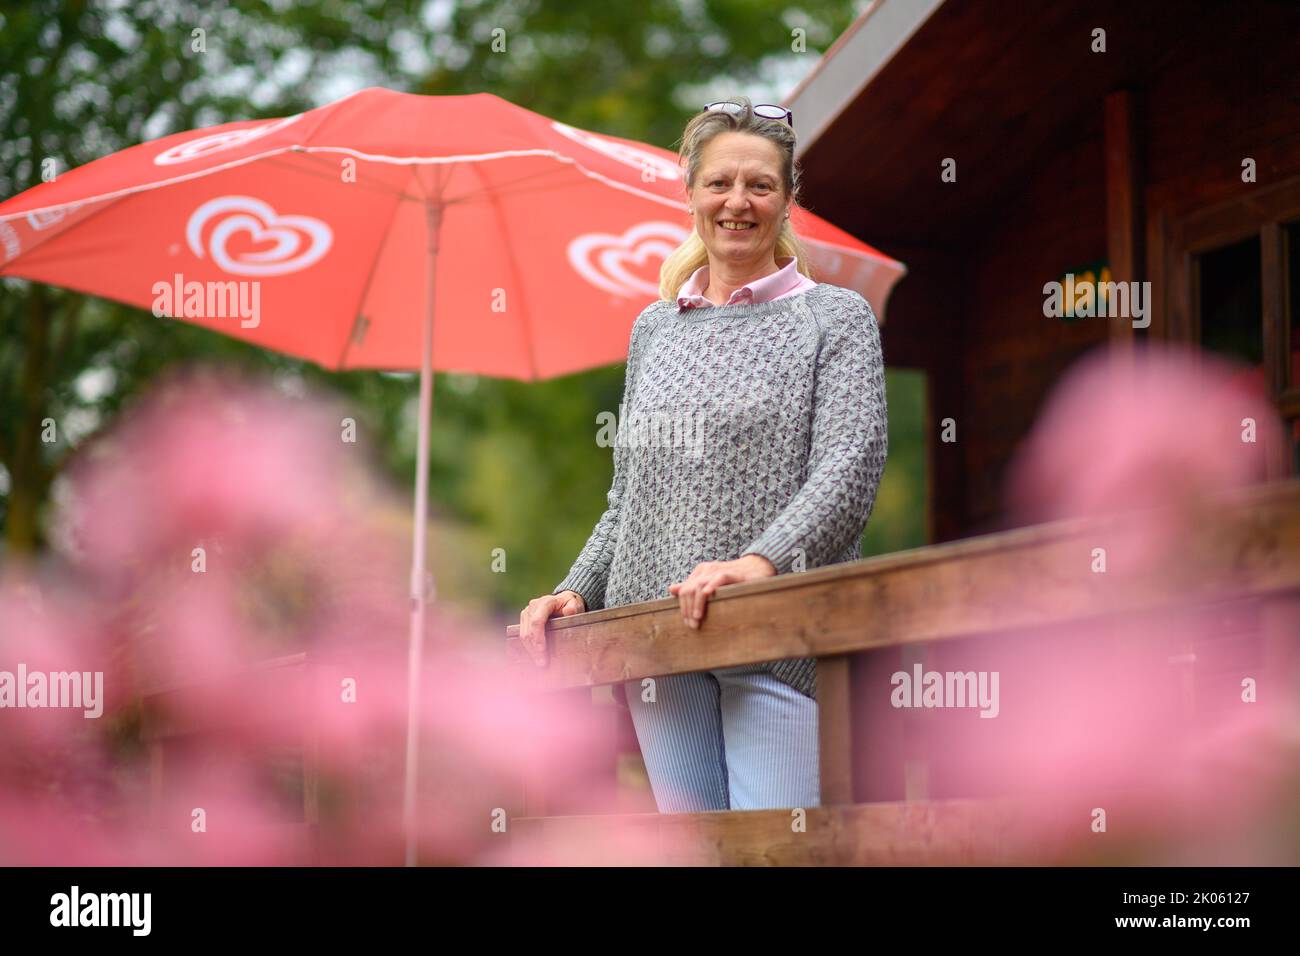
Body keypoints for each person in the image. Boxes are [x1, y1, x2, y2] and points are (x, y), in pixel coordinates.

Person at [517, 97, 888, 813]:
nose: (737, 202)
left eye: (760, 185)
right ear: (690, 192)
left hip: (774, 628)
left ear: (786, 200)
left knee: (779, 856)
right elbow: (630, 498)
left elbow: (850, 464)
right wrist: (576, 588)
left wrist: (759, 565)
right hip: (656, 642)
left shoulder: (834, 318)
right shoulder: (654, 329)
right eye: (719, 183)